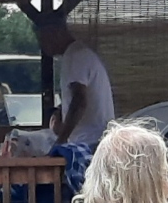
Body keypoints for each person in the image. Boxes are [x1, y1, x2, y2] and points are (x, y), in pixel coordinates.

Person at [38, 16, 114, 147]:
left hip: (90, 140)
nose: (42, 45)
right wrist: (61, 112)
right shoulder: (78, 54)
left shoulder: (76, 56)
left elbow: (79, 100)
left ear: (56, 33)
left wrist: (62, 139)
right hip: (95, 138)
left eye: (43, 38)